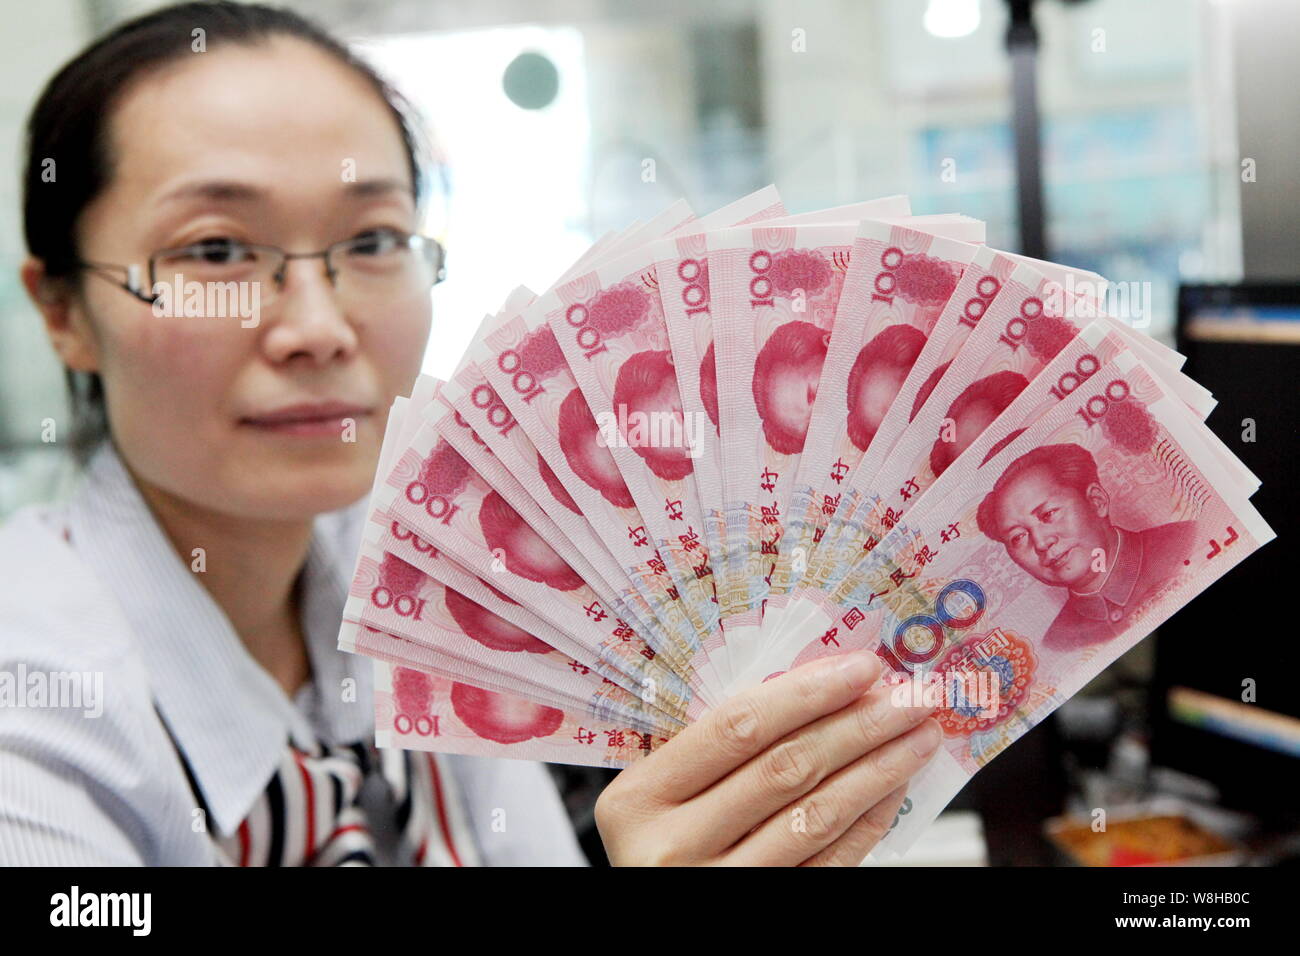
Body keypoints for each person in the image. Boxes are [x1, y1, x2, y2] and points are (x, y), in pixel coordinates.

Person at [2, 0, 941, 867]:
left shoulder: (431, 592)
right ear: (63, 310)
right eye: (216, 251)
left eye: (371, 241)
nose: (319, 328)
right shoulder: (32, 702)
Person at [975, 443, 1198, 651]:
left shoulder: (1191, 543)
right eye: (1018, 537)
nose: (1041, 543)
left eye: (1049, 514)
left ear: (1096, 501)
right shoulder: (1057, 643)